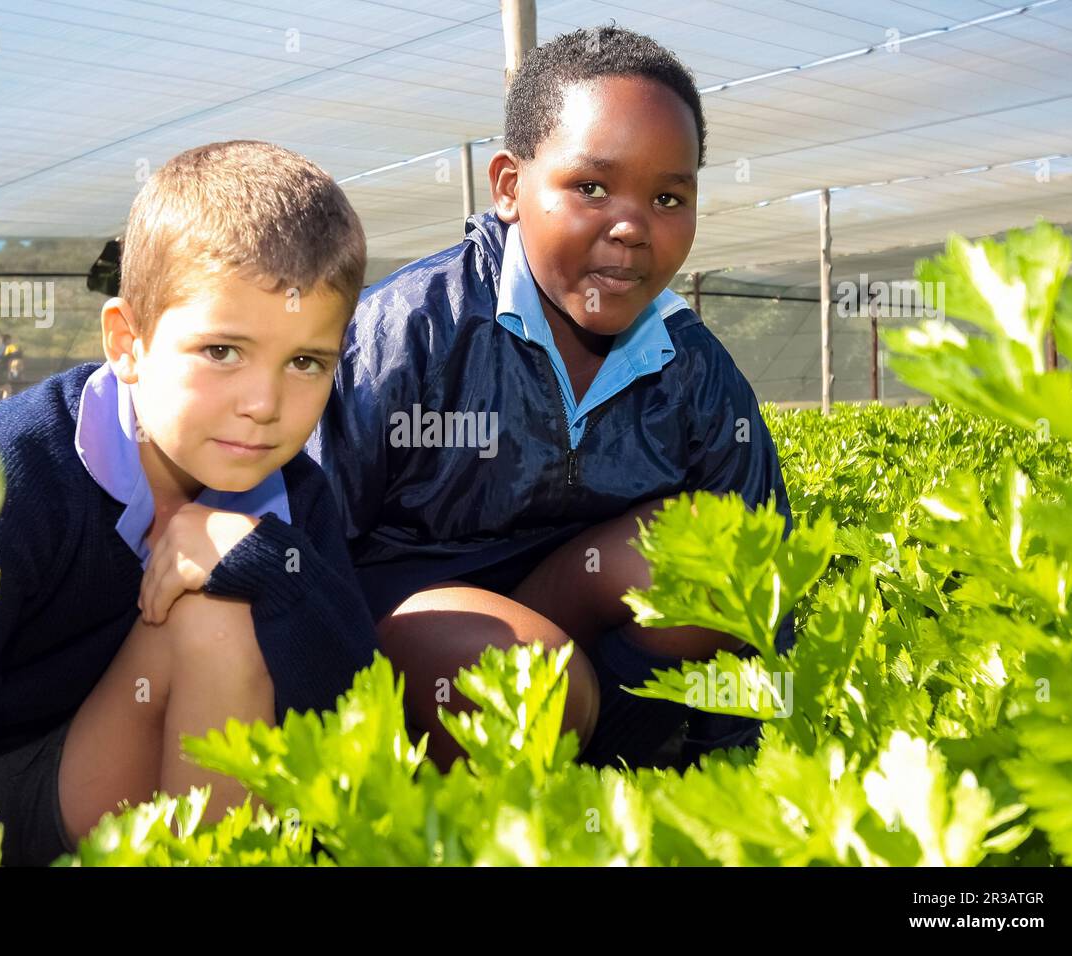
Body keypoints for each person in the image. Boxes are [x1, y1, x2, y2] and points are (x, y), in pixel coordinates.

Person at [0, 141, 378, 866]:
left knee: (231, 607)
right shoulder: (11, 469)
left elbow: (351, 714)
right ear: (128, 343)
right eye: (222, 351)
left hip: (132, 791)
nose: (264, 404)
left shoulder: (293, 495)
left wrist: (271, 569)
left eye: (305, 362)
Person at [306, 26, 795, 771]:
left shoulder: (696, 373)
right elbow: (301, 553)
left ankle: (624, 768)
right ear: (510, 188)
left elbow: (767, 586)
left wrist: (755, 787)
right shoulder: (407, 332)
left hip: (568, 637)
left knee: (715, 557)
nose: (631, 227)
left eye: (668, 197)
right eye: (591, 187)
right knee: (529, 680)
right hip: (408, 648)